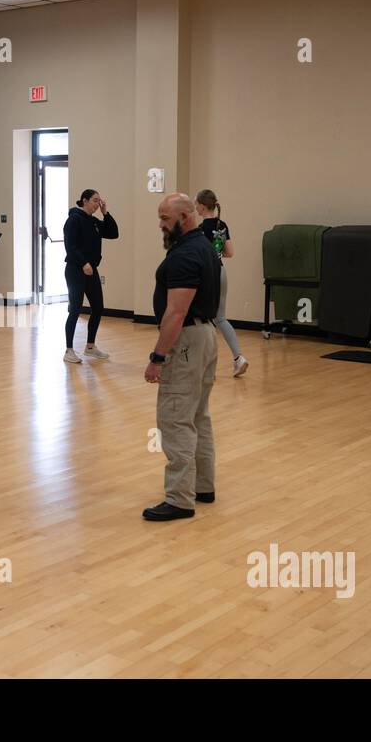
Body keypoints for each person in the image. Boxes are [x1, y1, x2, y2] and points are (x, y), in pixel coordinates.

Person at [142, 194, 221, 522]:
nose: (160, 224)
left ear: (186, 217)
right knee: (198, 414)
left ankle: (179, 499)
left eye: (165, 218)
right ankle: (202, 486)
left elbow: (176, 313)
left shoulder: (185, 255)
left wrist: (157, 357)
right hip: (205, 337)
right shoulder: (204, 247)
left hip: (187, 340)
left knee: (175, 418)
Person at [196, 189, 249, 378]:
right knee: (220, 318)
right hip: (221, 271)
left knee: (204, 319)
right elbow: (230, 252)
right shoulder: (222, 225)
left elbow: (199, 256)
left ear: (201, 206)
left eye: (196, 204)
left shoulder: (201, 229)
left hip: (208, 274)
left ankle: (205, 364)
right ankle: (238, 358)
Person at [62, 188, 119, 363]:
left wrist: (105, 213)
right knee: (76, 308)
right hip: (75, 270)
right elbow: (70, 247)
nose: (97, 203)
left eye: (99, 201)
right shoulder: (74, 220)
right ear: (84, 201)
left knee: (98, 307)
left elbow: (113, 233)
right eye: (95, 200)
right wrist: (83, 263)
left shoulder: (94, 222)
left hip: (91, 270)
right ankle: (69, 350)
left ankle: (90, 347)